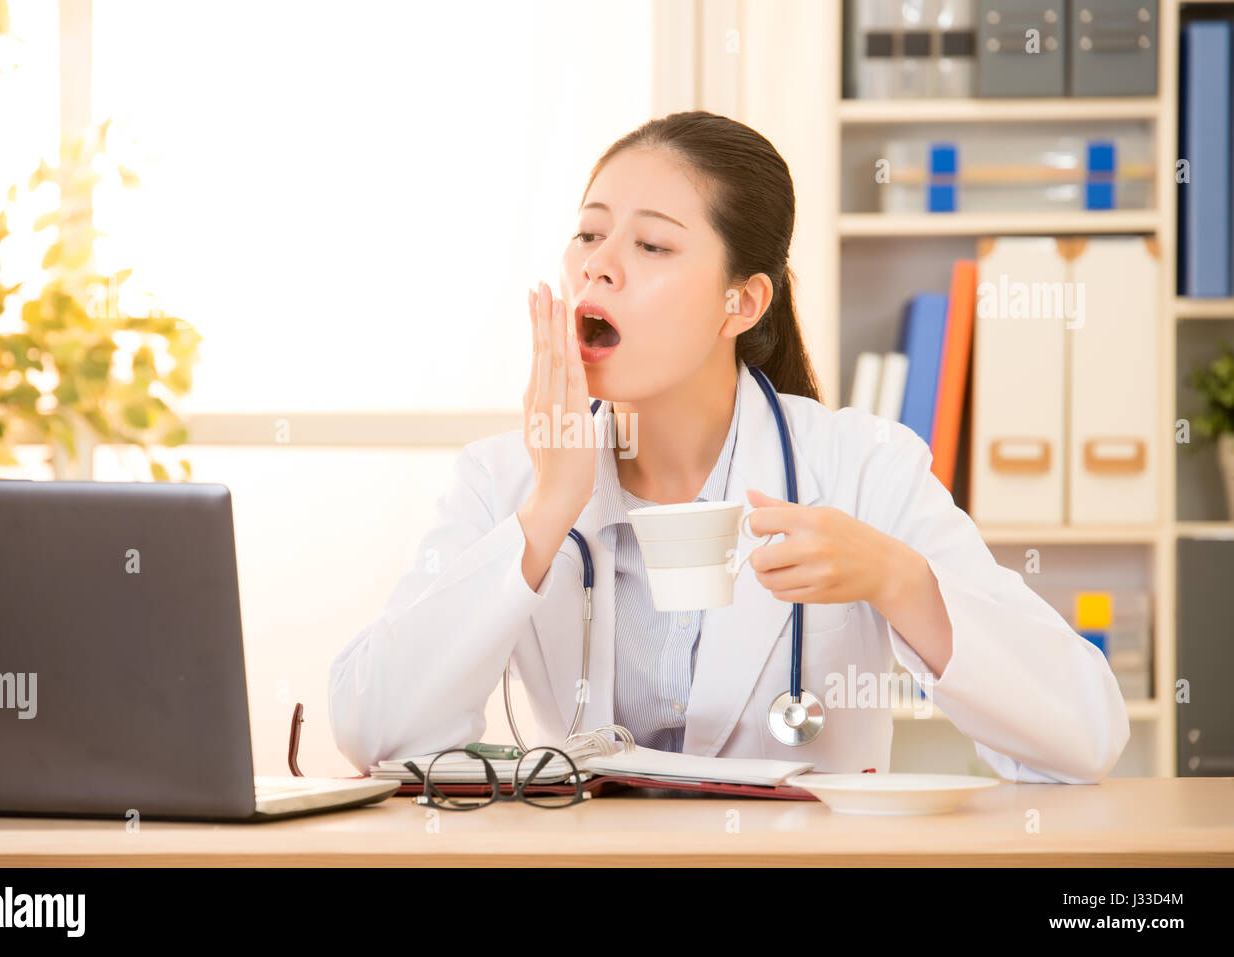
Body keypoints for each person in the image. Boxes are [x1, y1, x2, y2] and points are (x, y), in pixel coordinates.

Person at [329, 110, 1129, 782]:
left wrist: (896, 578)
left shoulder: (860, 467)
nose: (598, 267)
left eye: (652, 246)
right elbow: (375, 728)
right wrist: (545, 514)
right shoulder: (505, 478)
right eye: (588, 235)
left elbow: (1085, 736)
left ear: (741, 301)